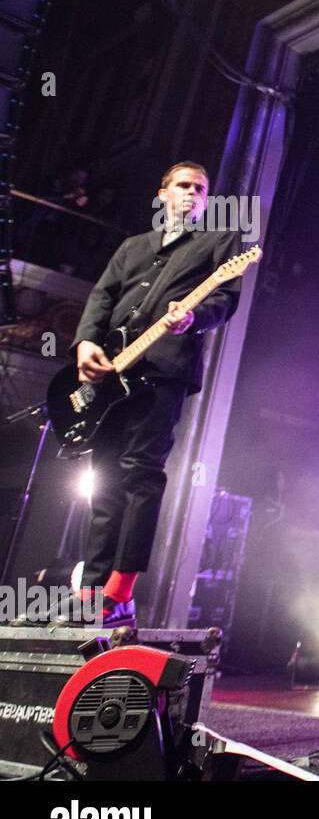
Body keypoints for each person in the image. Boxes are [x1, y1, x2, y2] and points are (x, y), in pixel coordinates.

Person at [48, 162, 242, 627]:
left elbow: (224, 301)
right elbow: (101, 297)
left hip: (163, 372)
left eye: (201, 189)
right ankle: (91, 588)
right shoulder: (132, 247)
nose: (193, 193)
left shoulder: (218, 244)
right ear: (163, 193)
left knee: (141, 472)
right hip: (110, 373)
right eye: (183, 185)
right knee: (105, 476)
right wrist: (87, 344)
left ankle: (120, 590)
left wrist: (193, 317)